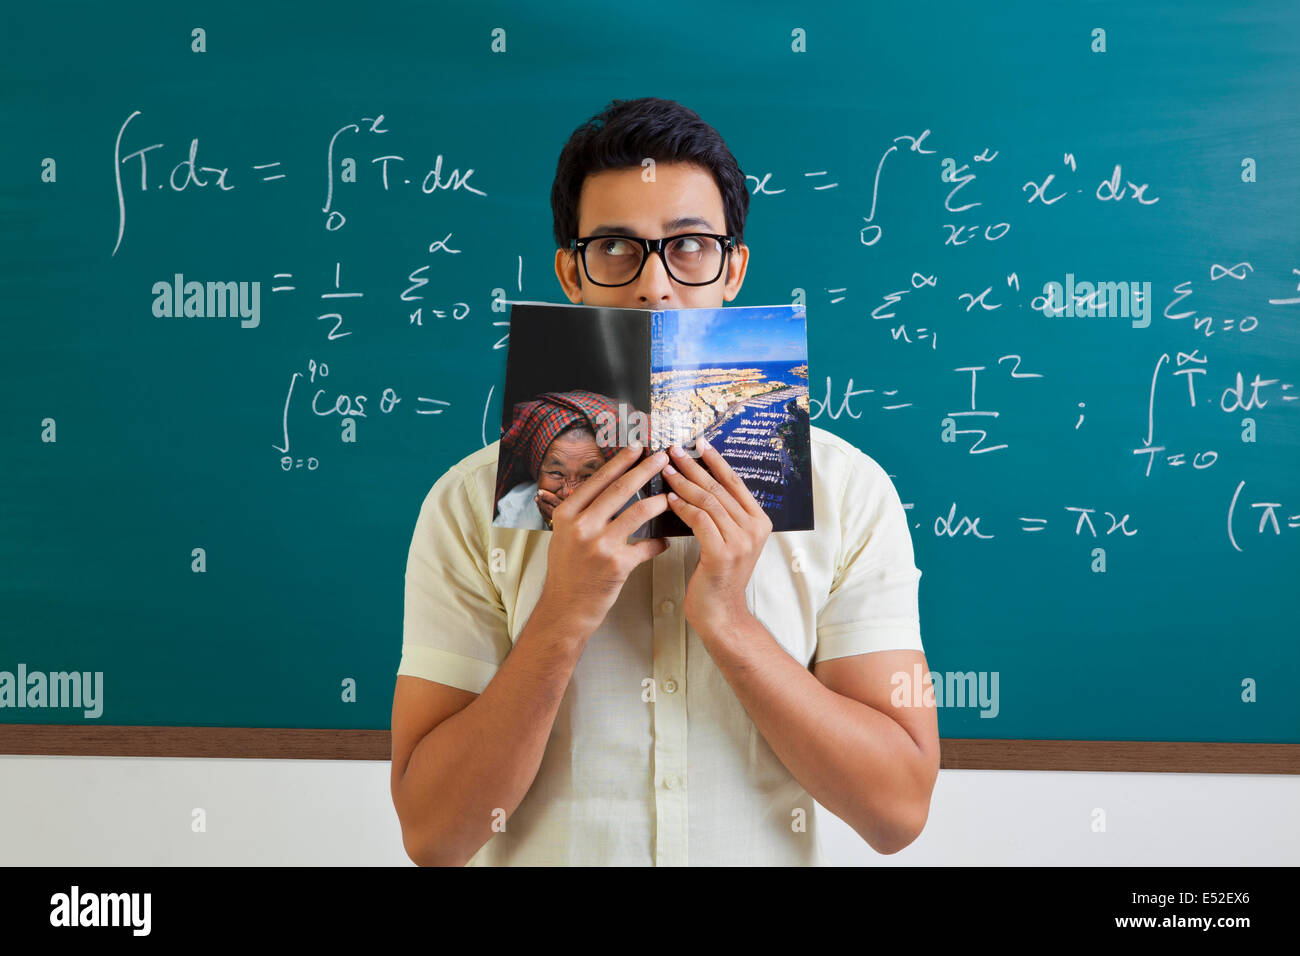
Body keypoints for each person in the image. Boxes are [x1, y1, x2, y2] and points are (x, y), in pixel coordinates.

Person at [390, 97, 939, 866]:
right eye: (615, 248)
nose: (654, 286)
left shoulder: (848, 493)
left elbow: (896, 812)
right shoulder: (467, 505)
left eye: (689, 247)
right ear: (570, 274)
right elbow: (435, 835)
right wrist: (563, 614)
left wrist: (731, 622)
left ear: (733, 269)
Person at [492, 390, 643, 531]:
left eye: (589, 476)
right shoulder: (517, 506)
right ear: (536, 472)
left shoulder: (638, 516)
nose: (569, 492)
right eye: (556, 472)